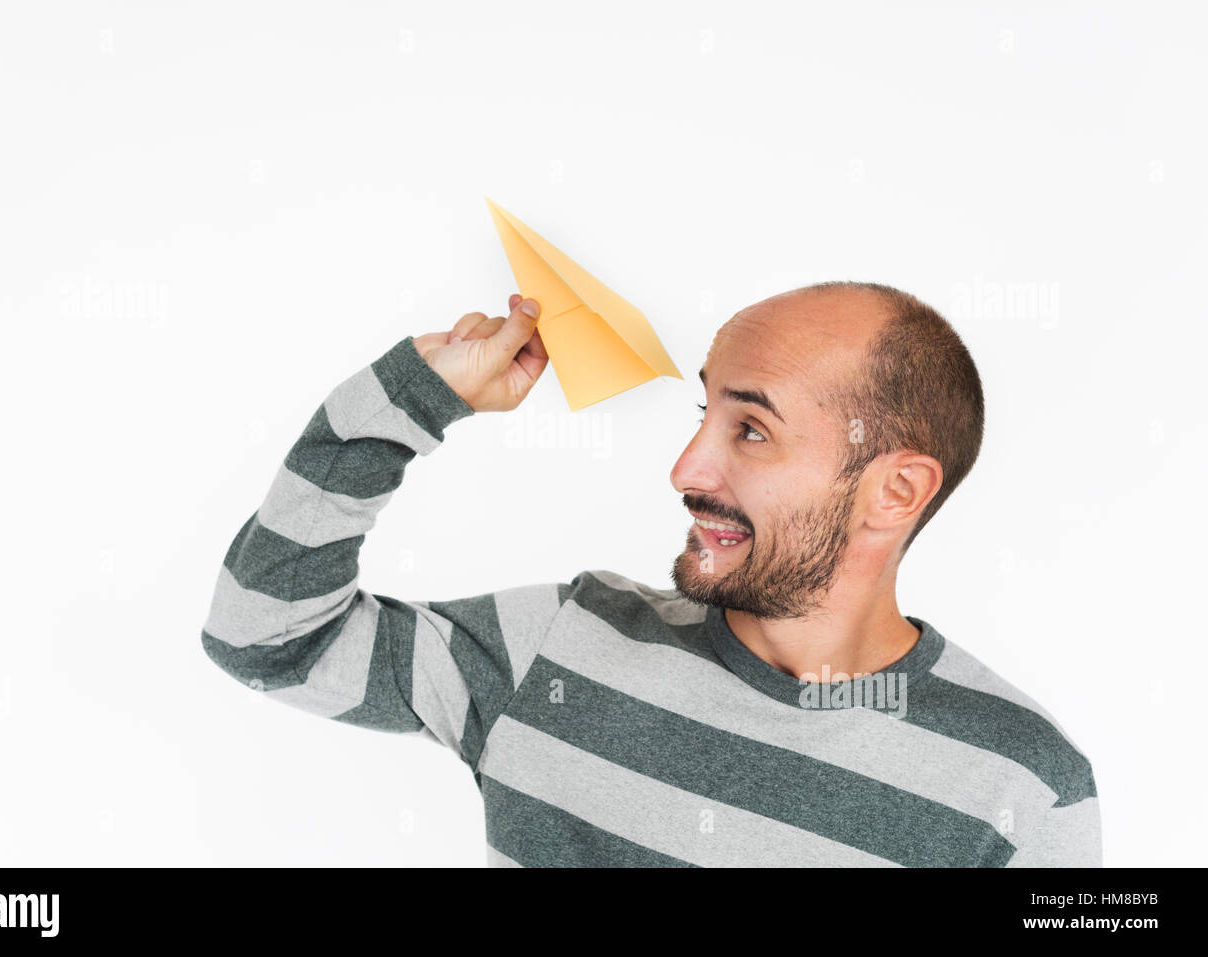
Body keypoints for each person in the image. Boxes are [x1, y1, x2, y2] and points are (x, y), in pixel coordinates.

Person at [200, 282, 1100, 867]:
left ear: (893, 490)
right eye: (703, 413)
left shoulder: (1023, 783)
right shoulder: (561, 647)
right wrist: (408, 402)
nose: (685, 469)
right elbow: (266, 639)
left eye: (750, 429)